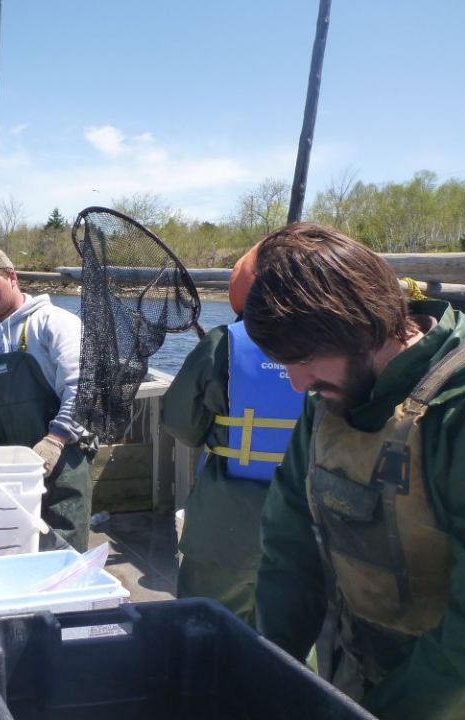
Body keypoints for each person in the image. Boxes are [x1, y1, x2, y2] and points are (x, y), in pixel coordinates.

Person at [244, 222, 465, 719]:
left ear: (365, 326)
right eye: (284, 362)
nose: (297, 384)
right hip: (357, 673)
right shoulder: (328, 401)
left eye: (306, 359)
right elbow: (289, 552)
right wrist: (267, 681)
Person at [161, 242, 303, 625]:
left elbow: (180, 423)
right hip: (304, 522)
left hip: (226, 521)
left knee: (204, 625)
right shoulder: (330, 343)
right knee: (288, 634)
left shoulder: (224, 342)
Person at [0, 248, 92, 552]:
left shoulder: (57, 324)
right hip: (5, 471)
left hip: (60, 461)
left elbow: (81, 388)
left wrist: (55, 439)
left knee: (63, 557)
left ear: (12, 277)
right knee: (6, 550)